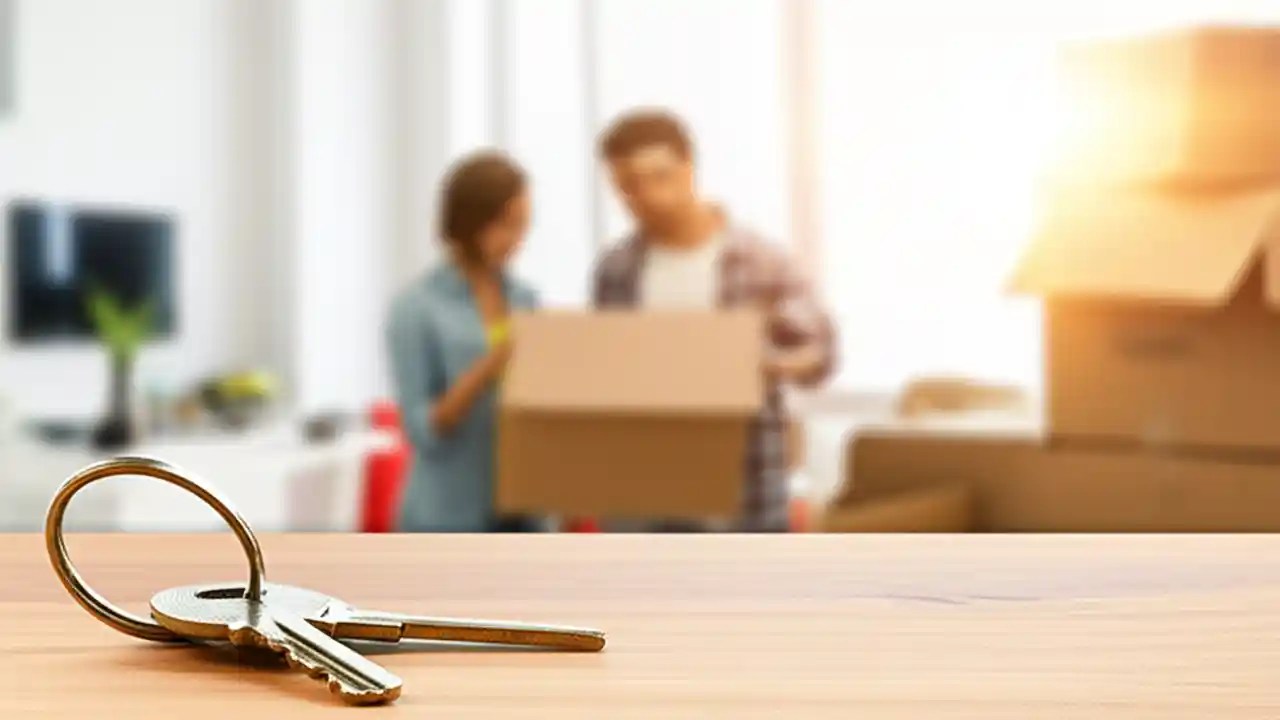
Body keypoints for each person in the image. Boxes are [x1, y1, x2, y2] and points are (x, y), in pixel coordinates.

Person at [593, 110, 837, 532]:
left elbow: (820, 355)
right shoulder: (615, 271)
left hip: (741, 488)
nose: (645, 196)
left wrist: (767, 364)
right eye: (627, 186)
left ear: (688, 169)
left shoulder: (761, 260)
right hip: (644, 492)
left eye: (658, 177)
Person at [386, 151, 539, 532]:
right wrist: (491, 365)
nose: (517, 240)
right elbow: (422, 430)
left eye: (523, 226)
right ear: (471, 221)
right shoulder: (416, 307)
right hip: (448, 514)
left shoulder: (524, 298)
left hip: (524, 513)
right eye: (507, 225)